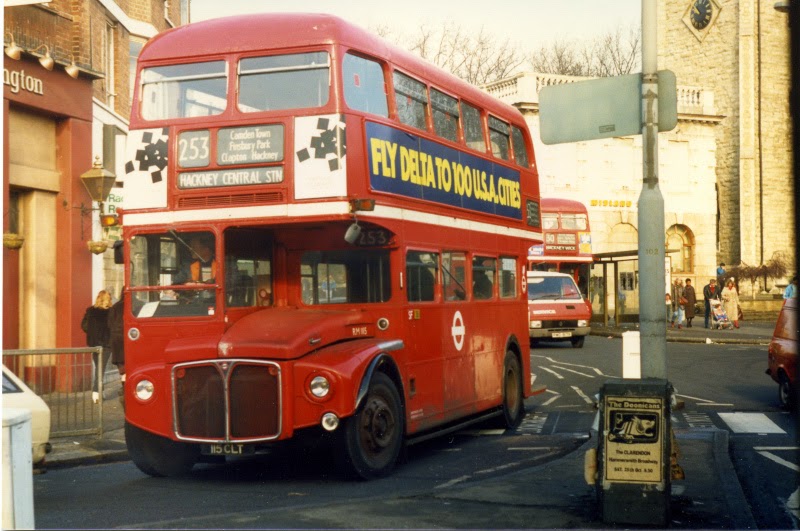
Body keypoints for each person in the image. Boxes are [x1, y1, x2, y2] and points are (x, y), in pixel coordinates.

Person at [81, 290, 112, 403]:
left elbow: (83, 325)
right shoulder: (111, 312)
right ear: (108, 299)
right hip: (106, 344)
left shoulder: (90, 311)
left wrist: (92, 333)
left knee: (99, 367)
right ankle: (96, 392)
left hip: (94, 344)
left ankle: (98, 391)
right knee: (101, 368)